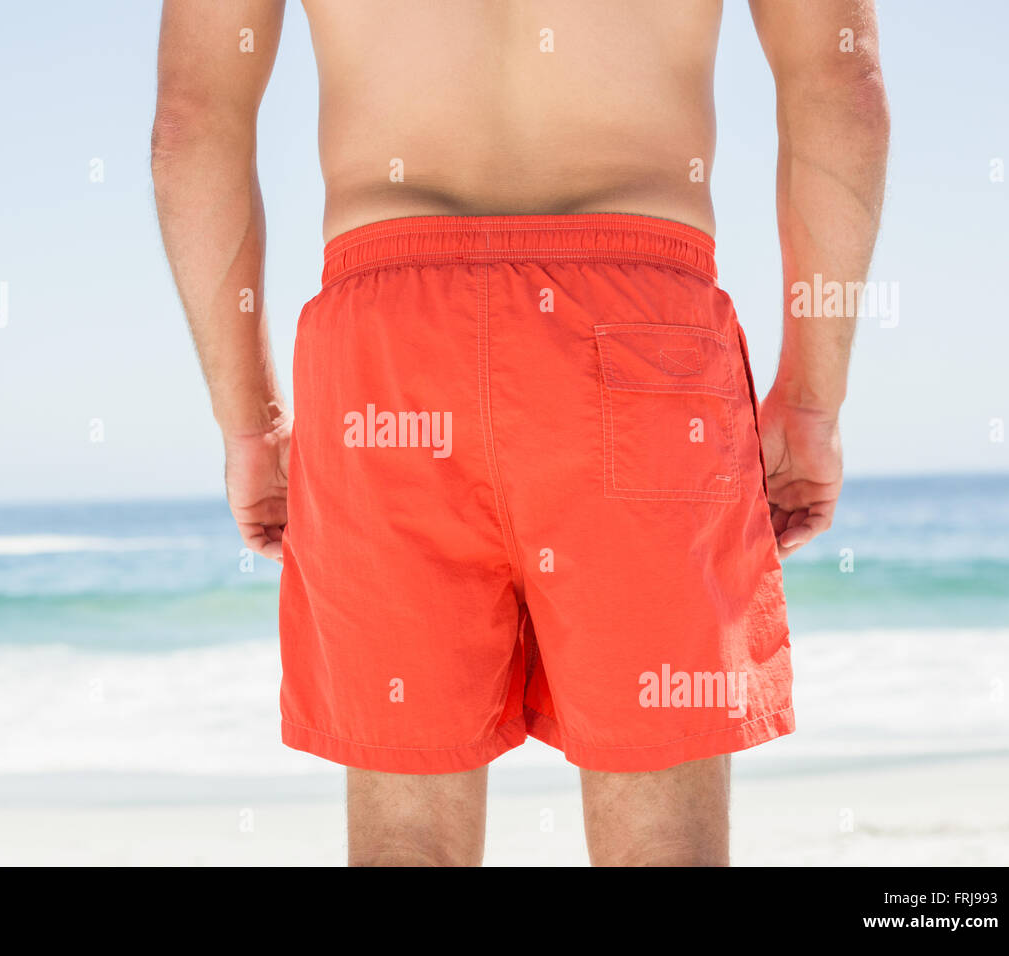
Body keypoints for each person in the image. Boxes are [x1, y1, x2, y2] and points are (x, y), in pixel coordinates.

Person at [151, 0, 889, 866]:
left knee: (406, 841)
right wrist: (810, 399)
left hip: (388, 338)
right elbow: (841, 84)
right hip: (642, 329)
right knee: (665, 846)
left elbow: (190, 126)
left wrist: (251, 422)